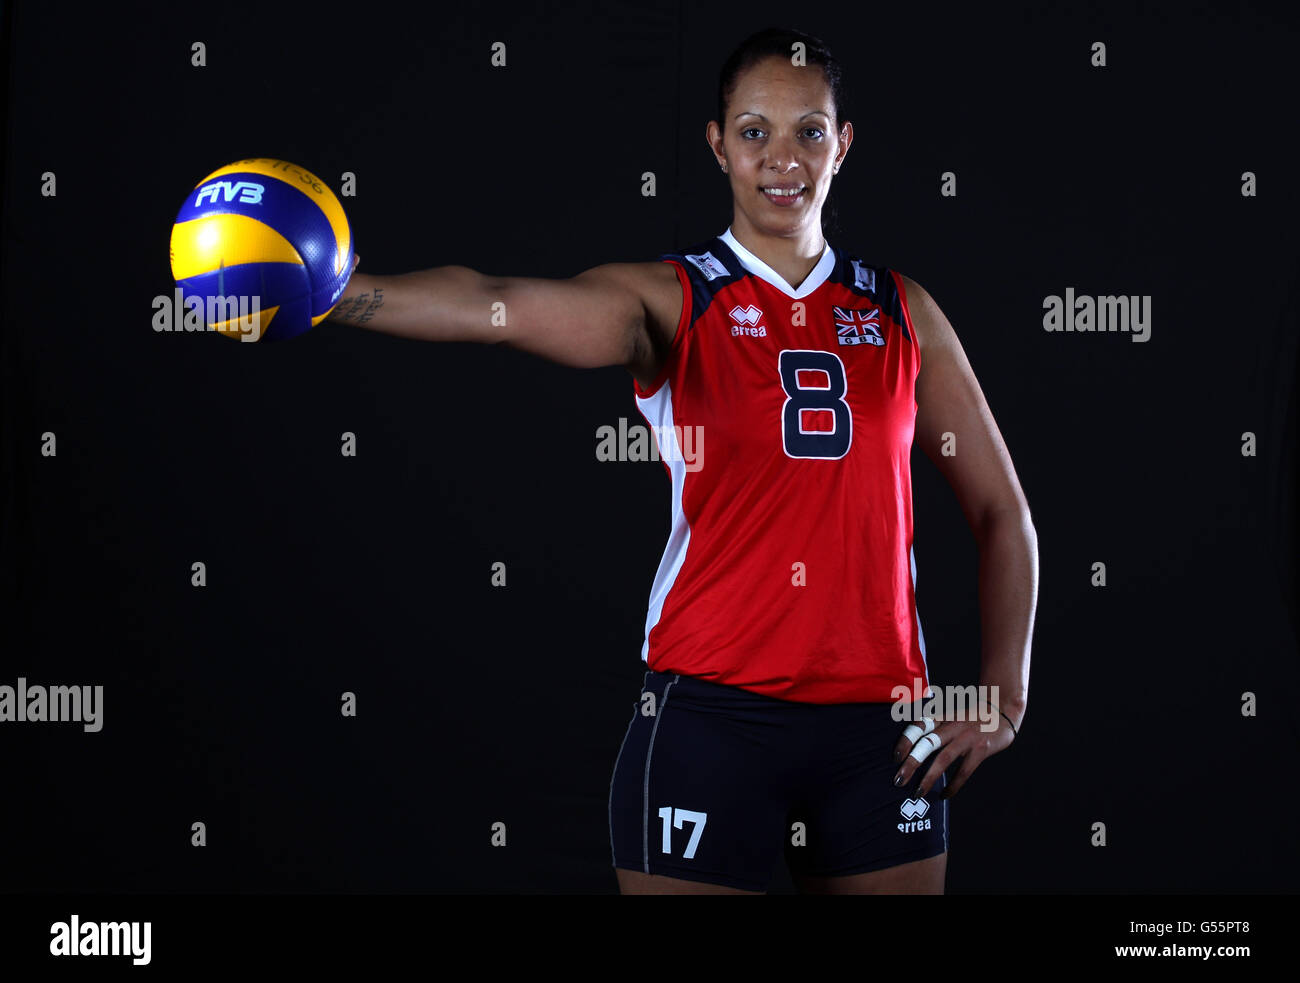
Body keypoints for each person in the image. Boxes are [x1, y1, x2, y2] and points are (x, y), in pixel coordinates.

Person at [327, 26, 1038, 895]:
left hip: (879, 729)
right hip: (712, 718)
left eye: (809, 131)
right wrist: (338, 297)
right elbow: (496, 304)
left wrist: (1004, 696)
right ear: (717, 145)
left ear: (843, 144)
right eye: (753, 131)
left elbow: (1004, 514)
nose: (783, 159)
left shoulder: (901, 310)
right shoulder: (672, 299)